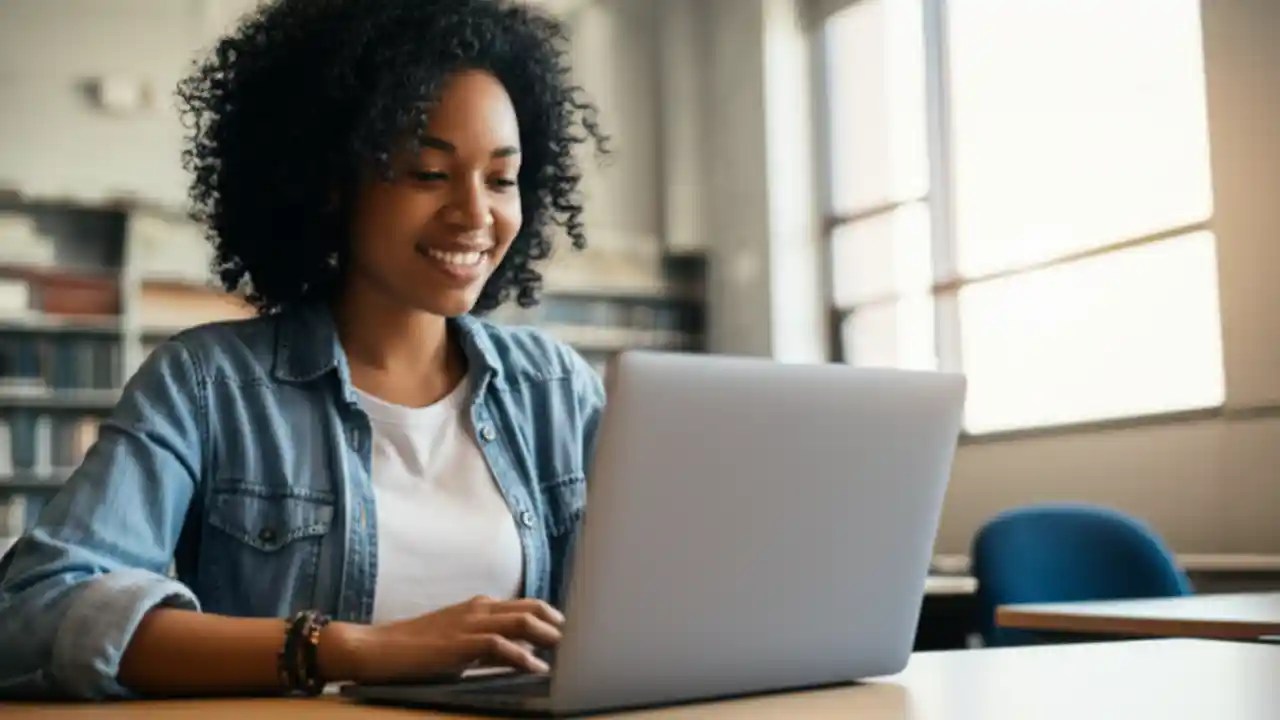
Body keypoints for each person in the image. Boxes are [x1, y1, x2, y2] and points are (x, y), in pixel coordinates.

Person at [0, 0, 607, 699]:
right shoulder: (207, 385)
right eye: (428, 174)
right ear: (330, 185)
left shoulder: (558, 390)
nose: (476, 214)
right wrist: (349, 649)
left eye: (501, 179)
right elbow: (33, 614)